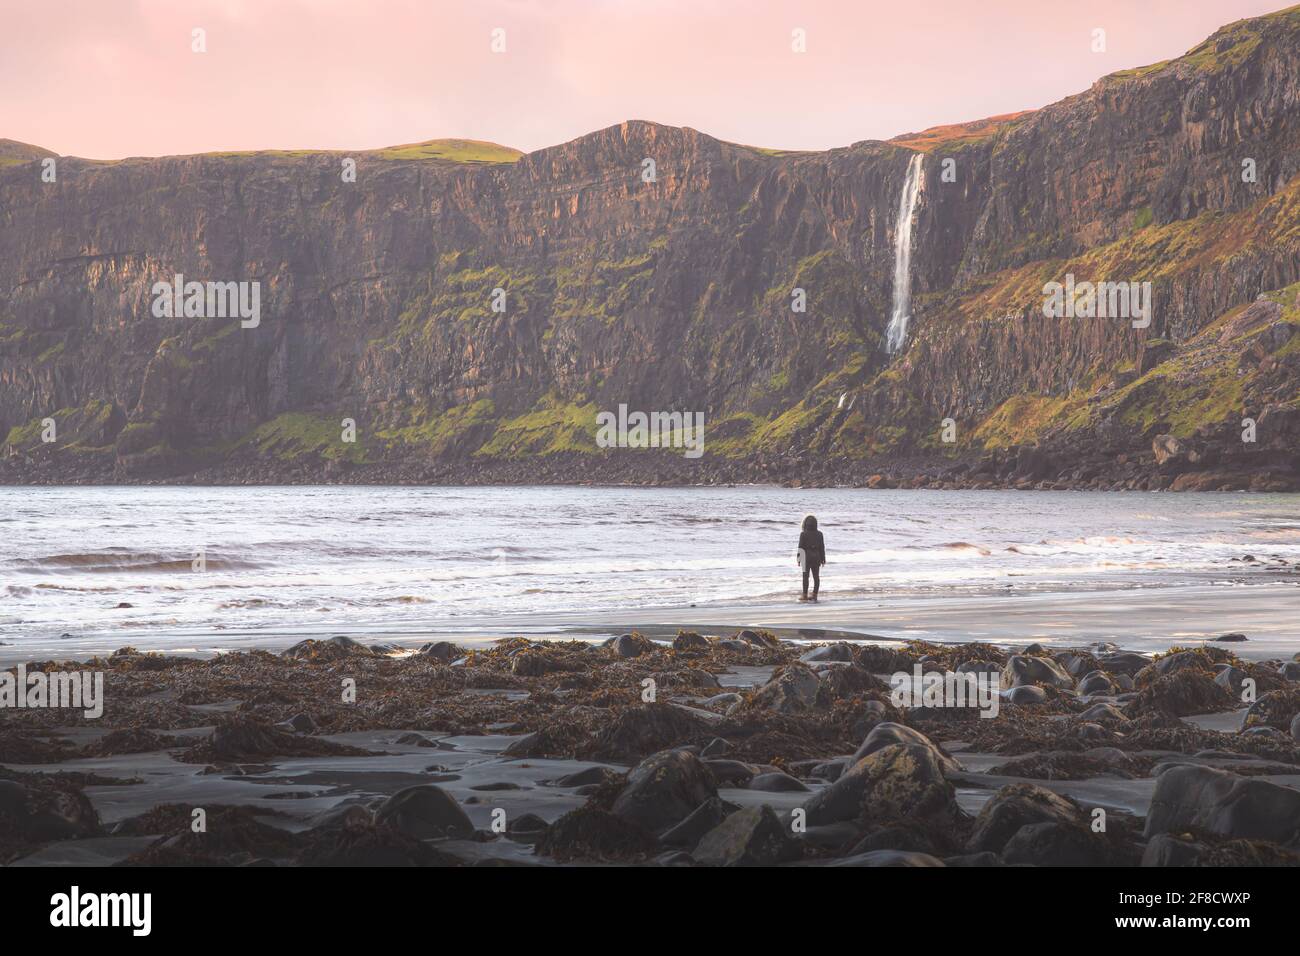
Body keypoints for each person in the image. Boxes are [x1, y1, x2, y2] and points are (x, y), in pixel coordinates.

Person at [796, 514, 826, 602]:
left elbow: (800, 548)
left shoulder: (803, 534)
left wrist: (798, 560)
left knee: (805, 577)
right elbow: (822, 547)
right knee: (816, 577)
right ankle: (815, 594)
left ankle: (804, 595)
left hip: (806, 557)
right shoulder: (820, 534)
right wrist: (823, 559)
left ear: (805, 524)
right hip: (817, 556)